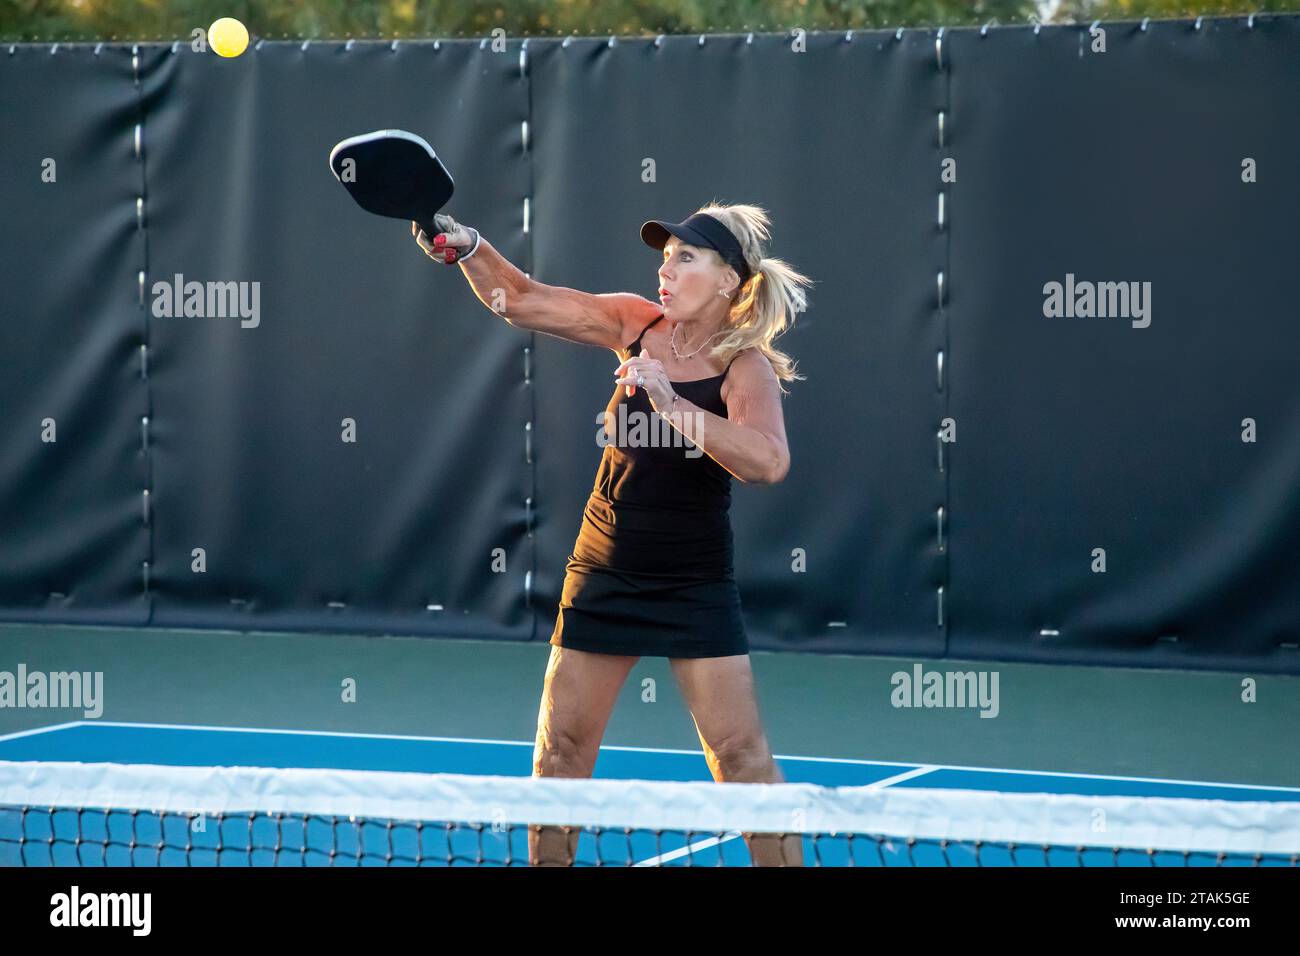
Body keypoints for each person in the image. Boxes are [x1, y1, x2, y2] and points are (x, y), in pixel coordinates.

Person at [413, 203, 811, 865]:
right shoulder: (635, 322)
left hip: (694, 582)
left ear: (728, 282)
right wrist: (471, 247)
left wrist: (672, 403)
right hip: (604, 571)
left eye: (687, 258)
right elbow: (522, 300)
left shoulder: (746, 368)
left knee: (742, 761)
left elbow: (768, 462)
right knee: (561, 755)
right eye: (665, 256)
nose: (666, 269)